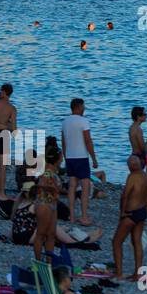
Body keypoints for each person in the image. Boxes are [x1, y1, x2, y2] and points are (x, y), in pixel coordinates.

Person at [112, 155, 147, 280]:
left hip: (131, 213)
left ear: (130, 166)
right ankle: (138, 272)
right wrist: (145, 211)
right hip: (142, 212)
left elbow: (125, 196)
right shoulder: (146, 176)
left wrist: (122, 213)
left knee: (117, 242)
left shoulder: (132, 177)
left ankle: (119, 273)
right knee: (137, 242)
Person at [61, 97, 97, 227]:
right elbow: (88, 140)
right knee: (85, 186)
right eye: (83, 107)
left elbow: (63, 142)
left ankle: (71, 216)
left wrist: (65, 157)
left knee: (72, 186)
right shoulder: (83, 121)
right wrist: (93, 158)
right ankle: (84, 216)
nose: (84, 109)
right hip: (81, 157)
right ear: (78, 107)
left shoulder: (65, 122)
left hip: (70, 157)